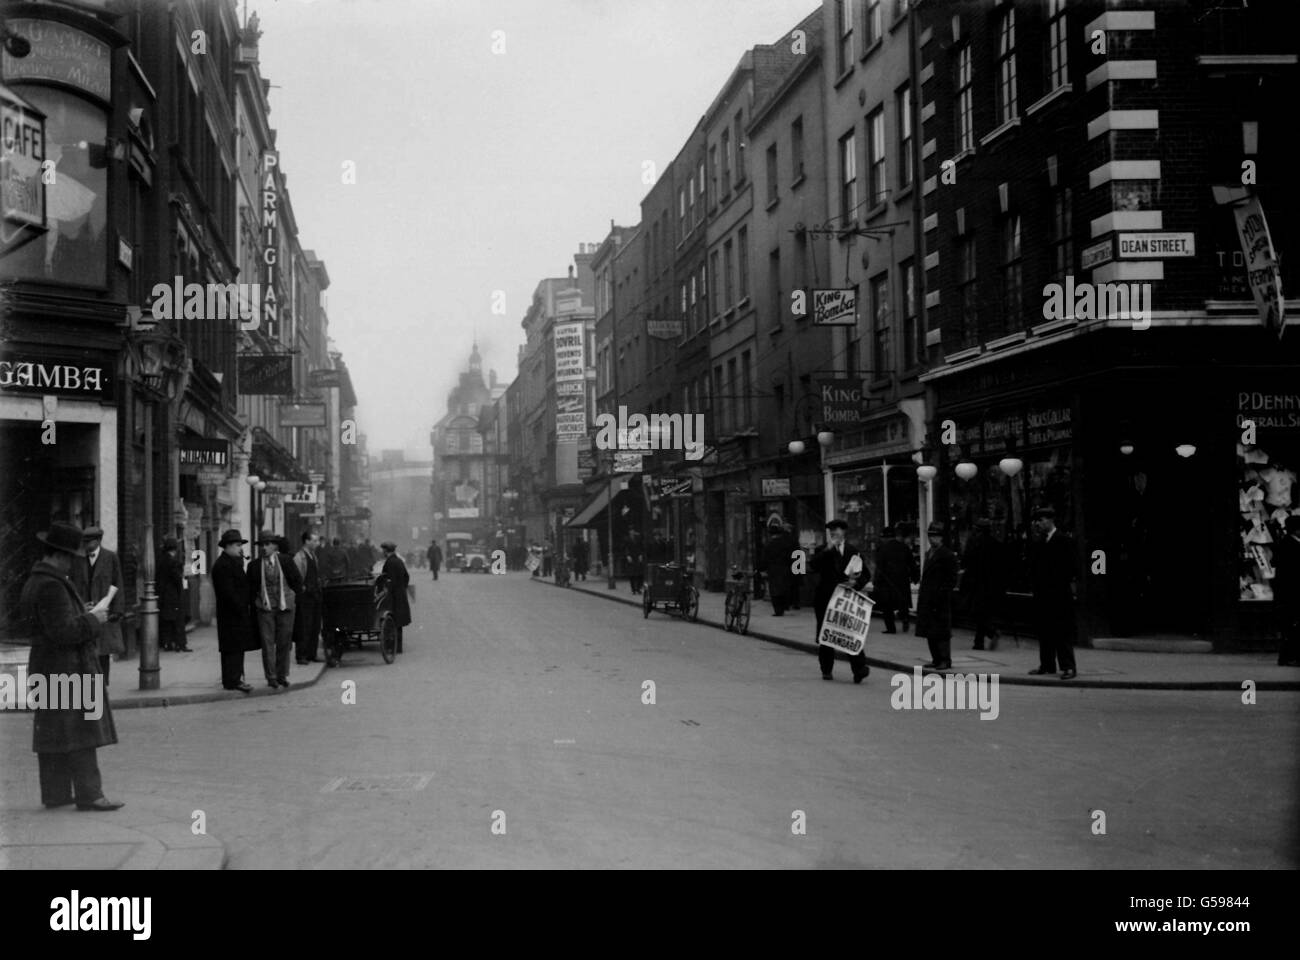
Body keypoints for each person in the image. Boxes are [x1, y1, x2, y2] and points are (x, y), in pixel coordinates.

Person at [21, 521, 123, 811]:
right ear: (60, 555)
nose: (71, 564)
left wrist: (82, 613)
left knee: (52, 732)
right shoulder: (53, 585)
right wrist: (94, 619)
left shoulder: (35, 581)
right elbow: (65, 632)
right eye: (69, 558)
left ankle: (55, 793)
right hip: (68, 668)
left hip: (45, 666)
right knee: (81, 731)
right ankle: (90, 795)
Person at [812, 519, 871, 683]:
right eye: (831, 531)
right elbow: (813, 566)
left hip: (846, 600)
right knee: (827, 634)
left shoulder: (853, 551)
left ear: (844, 532)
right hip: (826, 598)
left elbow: (865, 574)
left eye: (836, 530)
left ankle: (859, 669)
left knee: (850, 634)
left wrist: (856, 583)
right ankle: (826, 669)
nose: (833, 534)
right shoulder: (822, 550)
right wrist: (827, 550)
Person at [247, 529, 303, 689]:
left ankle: (282, 675)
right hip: (265, 608)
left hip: (286, 607)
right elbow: (250, 590)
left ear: (275, 546)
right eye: (262, 545)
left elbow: (297, 582)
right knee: (267, 642)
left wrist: (293, 598)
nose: (264, 548)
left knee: (284, 641)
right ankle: (271, 677)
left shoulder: (285, 561)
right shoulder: (254, 566)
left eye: (267, 544)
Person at [71, 526, 125, 686]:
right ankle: (89, 684)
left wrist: (118, 611)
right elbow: (73, 585)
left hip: (104, 612)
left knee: (103, 651)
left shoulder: (110, 557)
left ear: (98, 541)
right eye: (85, 542)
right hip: (85, 611)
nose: (87, 545)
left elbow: (118, 583)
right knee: (87, 649)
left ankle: (103, 684)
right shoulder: (78, 559)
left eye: (90, 542)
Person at [1028, 507, 1078, 679]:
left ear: (1051, 520)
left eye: (1041, 520)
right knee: (1045, 631)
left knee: (1062, 632)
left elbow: (1072, 567)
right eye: (1037, 521)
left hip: (1059, 595)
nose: (1038, 524)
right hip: (1043, 595)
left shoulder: (1064, 540)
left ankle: (1068, 666)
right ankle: (1047, 664)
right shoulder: (1039, 542)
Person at [211, 529, 256, 692]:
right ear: (228, 546)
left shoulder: (231, 562)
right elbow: (229, 592)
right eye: (237, 545)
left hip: (235, 614)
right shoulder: (223, 565)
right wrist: (242, 607)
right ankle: (232, 680)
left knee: (236, 647)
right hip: (231, 614)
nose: (240, 549)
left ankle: (233, 679)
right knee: (233, 648)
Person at [915, 522, 959, 670]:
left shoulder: (947, 555)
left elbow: (952, 578)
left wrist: (942, 594)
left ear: (941, 538)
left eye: (935, 536)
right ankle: (936, 659)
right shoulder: (929, 553)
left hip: (940, 599)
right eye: (930, 536)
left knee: (941, 631)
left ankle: (945, 659)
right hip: (928, 598)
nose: (932, 539)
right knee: (930, 631)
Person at [960, 519, 1006, 651]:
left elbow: (966, 561)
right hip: (991, 585)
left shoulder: (974, 543)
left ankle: (989, 633)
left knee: (975, 613)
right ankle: (979, 641)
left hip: (976, 584)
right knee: (983, 613)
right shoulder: (995, 544)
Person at [874, 523, 917, 634]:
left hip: (887, 582)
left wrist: (876, 582)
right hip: (902, 580)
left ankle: (891, 628)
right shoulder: (904, 547)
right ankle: (905, 618)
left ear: (885, 537)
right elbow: (912, 564)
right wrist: (915, 577)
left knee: (887, 607)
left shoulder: (882, 549)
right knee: (902, 602)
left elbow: (879, 567)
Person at [1271, 515, 1300, 666]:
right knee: (1291, 627)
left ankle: (1289, 657)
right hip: (1291, 593)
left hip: (1288, 592)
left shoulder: (1285, 543)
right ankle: (1288, 657)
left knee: (1290, 627)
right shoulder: (1289, 545)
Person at [293, 530, 324, 665]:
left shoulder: (313, 556)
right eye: (314, 540)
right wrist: (302, 589)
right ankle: (301, 655)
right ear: (307, 541)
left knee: (315, 626)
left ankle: (312, 654)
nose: (317, 543)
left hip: (315, 595)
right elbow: (297, 578)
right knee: (304, 626)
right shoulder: (299, 558)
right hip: (305, 597)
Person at [378, 542, 412, 653]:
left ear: (386, 551)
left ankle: (391, 647)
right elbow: (406, 577)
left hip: (392, 596)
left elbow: (386, 579)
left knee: (390, 621)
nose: (382, 552)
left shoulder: (389, 563)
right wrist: (402, 588)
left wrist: (384, 590)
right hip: (400, 594)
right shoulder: (399, 561)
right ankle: (399, 647)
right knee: (399, 622)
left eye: (383, 550)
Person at [156, 536, 189, 652]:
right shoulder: (174, 562)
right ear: (174, 549)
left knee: (166, 621)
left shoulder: (160, 560)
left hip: (163, 595)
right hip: (173, 595)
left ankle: (167, 643)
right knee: (178, 620)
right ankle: (180, 644)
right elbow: (177, 578)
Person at [762, 517, 796, 617]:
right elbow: (791, 556)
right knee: (784, 588)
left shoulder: (768, 545)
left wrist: (762, 568)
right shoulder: (785, 544)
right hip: (784, 569)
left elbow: (764, 558)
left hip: (773, 570)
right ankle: (785, 606)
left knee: (774, 590)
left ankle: (778, 610)